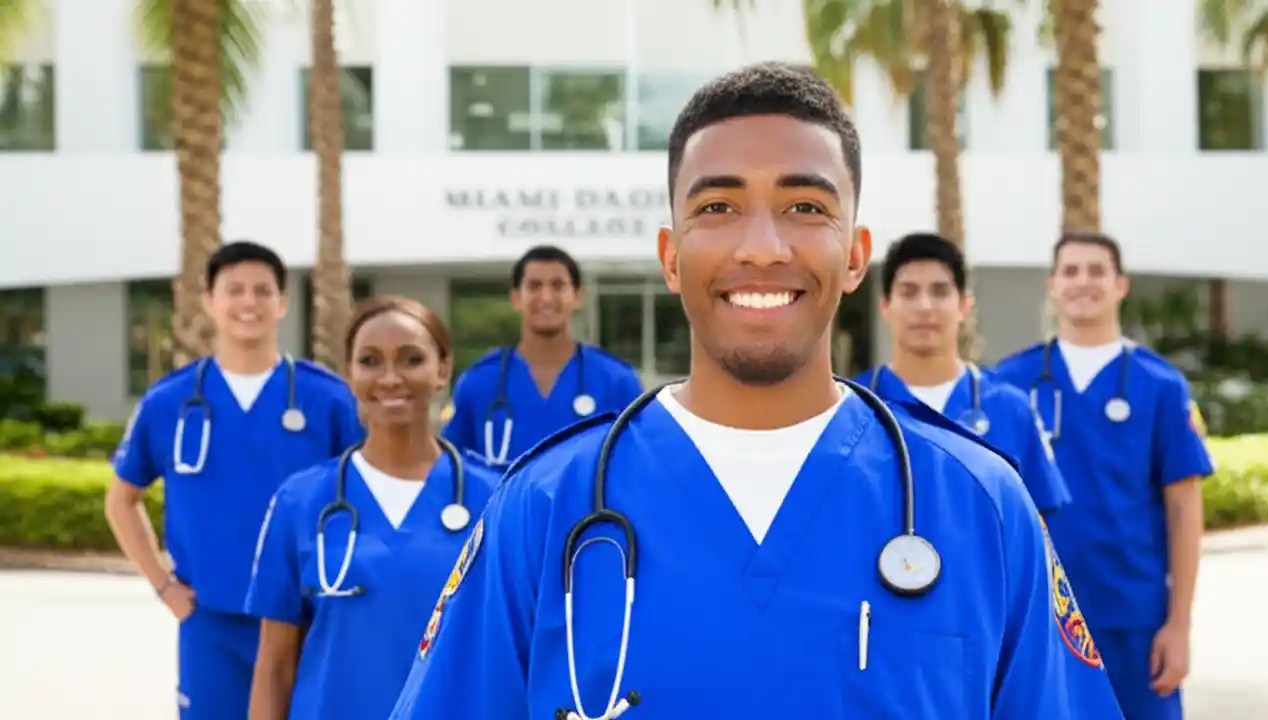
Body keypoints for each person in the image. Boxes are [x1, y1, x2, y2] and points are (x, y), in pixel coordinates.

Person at [389, 62, 1123, 719]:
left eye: (806, 207)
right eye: (718, 208)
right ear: (671, 258)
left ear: (855, 256)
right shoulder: (544, 506)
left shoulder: (980, 505)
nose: (763, 246)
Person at [104, 241, 365, 720]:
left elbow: (366, 497)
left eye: (263, 291)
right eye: (235, 290)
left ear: (283, 303)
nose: (250, 303)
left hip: (309, 623)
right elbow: (121, 501)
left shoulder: (326, 399)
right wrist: (164, 587)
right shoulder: (170, 402)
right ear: (209, 301)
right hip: (210, 624)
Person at [243, 295, 501, 719]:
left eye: (411, 359)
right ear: (349, 374)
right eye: (369, 360)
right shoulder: (300, 502)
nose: (390, 377)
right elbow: (275, 666)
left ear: (443, 370)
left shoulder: (494, 499)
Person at [992, 231, 1213, 720]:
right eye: (1070, 271)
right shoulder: (1009, 384)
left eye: (1096, 271)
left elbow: (1184, 508)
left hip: (1133, 620)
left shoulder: (1161, 386)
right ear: (1052, 285)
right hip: (1037, 620)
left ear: (1121, 285)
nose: (1083, 282)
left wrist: (1179, 626)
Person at [852, 232, 1071, 516]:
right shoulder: (854, 407)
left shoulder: (1011, 410)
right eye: (908, 292)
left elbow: (1039, 525)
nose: (925, 306)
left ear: (964, 306)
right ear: (885, 307)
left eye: (940, 292)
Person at [441, 245, 645, 467]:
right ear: (516, 297)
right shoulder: (478, 382)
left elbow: (638, 466)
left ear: (577, 296)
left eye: (558, 286)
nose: (546, 297)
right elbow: (451, 469)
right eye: (534, 286)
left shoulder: (617, 381)